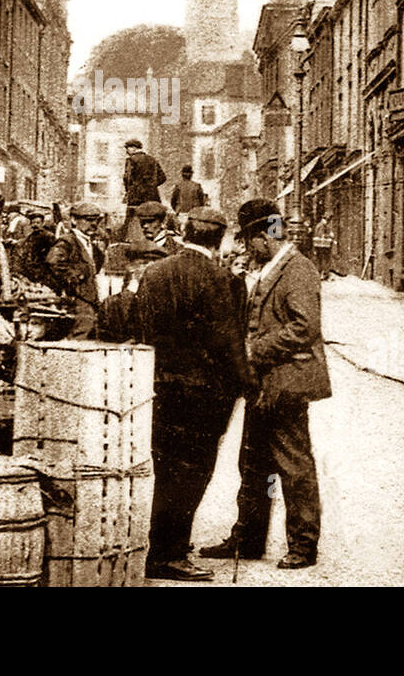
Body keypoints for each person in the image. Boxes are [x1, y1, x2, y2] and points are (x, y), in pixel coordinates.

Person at [200, 199, 331, 571]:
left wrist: (253, 349)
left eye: (247, 240)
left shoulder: (299, 269)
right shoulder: (273, 266)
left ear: (262, 236)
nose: (244, 248)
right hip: (264, 384)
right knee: (254, 464)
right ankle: (248, 538)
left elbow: (305, 328)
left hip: (287, 382)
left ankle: (304, 546)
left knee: (293, 465)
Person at [127, 206, 252, 581]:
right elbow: (228, 344)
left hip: (160, 387)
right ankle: (169, 554)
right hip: (204, 395)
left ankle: (164, 546)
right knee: (193, 474)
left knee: (165, 470)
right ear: (219, 239)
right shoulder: (223, 279)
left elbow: (140, 326)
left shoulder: (155, 272)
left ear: (186, 233)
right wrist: (244, 385)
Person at [45, 201, 105, 339]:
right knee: (83, 328)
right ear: (74, 220)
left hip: (90, 297)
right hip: (77, 298)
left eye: (96, 220)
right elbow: (53, 261)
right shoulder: (67, 242)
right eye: (89, 220)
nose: (94, 224)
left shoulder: (91, 243)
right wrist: (76, 278)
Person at [123, 139, 165, 238]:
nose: (126, 151)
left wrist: (129, 192)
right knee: (153, 220)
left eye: (127, 148)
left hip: (136, 198)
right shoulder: (152, 159)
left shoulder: (131, 160)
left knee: (133, 224)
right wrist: (151, 186)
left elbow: (127, 179)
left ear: (133, 148)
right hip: (153, 197)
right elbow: (163, 177)